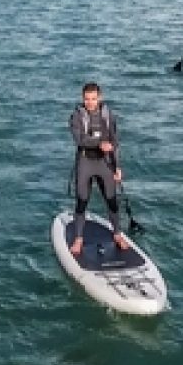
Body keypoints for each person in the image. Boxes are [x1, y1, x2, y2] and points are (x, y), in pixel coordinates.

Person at [68, 82, 128, 256]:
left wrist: (117, 167)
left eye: (93, 99)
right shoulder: (77, 116)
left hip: (105, 163)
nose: (90, 102)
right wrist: (99, 143)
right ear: (83, 98)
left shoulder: (108, 115)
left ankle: (117, 234)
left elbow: (114, 142)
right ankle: (78, 239)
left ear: (99, 98)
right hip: (86, 162)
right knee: (81, 200)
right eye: (87, 99)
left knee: (111, 200)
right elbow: (80, 139)